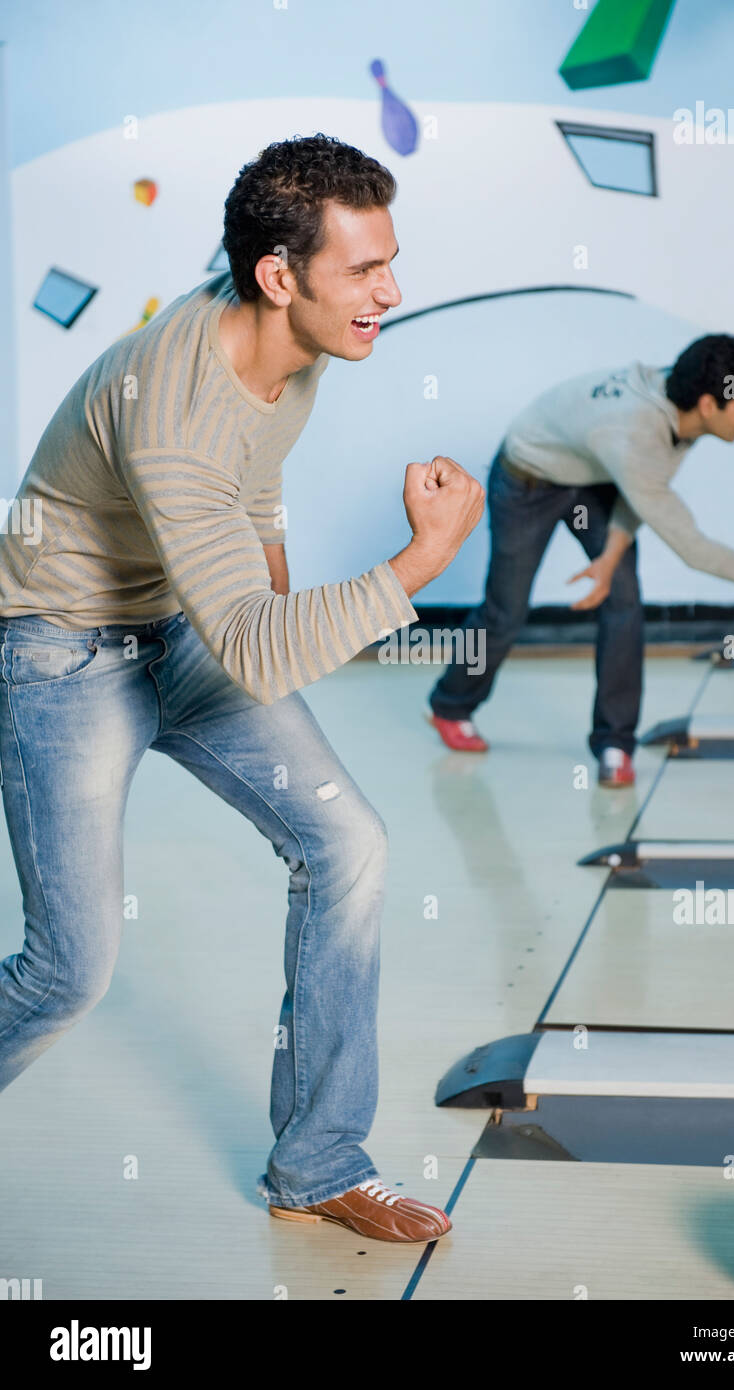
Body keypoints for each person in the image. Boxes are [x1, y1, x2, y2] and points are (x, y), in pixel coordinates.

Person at [0, 134, 484, 1243]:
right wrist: (421, 561)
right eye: (363, 272)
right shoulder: (168, 409)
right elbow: (257, 639)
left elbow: (252, 492)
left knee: (347, 845)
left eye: (389, 261)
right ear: (279, 276)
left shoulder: (291, 341)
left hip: (179, 626)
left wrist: (264, 607)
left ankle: (316, 1164)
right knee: (71, 970)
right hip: (62, 647)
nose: (390, 293)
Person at [427, 336, 734, 785]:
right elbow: (695, 549)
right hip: (528, 478)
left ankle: (615, 742)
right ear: (710, 405)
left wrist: (610, 555)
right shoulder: (634, 433)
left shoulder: (681, 405)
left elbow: (639, 486)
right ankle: (450, 705)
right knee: (505, 612)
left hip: (595, 473)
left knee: (623, 602)